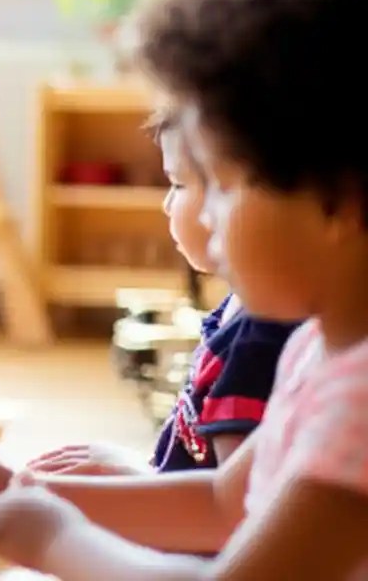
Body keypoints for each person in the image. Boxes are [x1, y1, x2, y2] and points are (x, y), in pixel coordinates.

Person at [0, 0, 368, 580]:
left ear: (339, 198)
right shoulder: (320, 348)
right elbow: (222, 504)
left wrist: (58, 541)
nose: (205, 214)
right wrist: (28, 491)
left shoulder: (358, 405)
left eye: (221, 183)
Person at [28, 106, 299, 476]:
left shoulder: (261, 342)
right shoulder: (238, 311)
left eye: (177, 184)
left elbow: (238, 508)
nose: (167, 203)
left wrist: (130, 478)